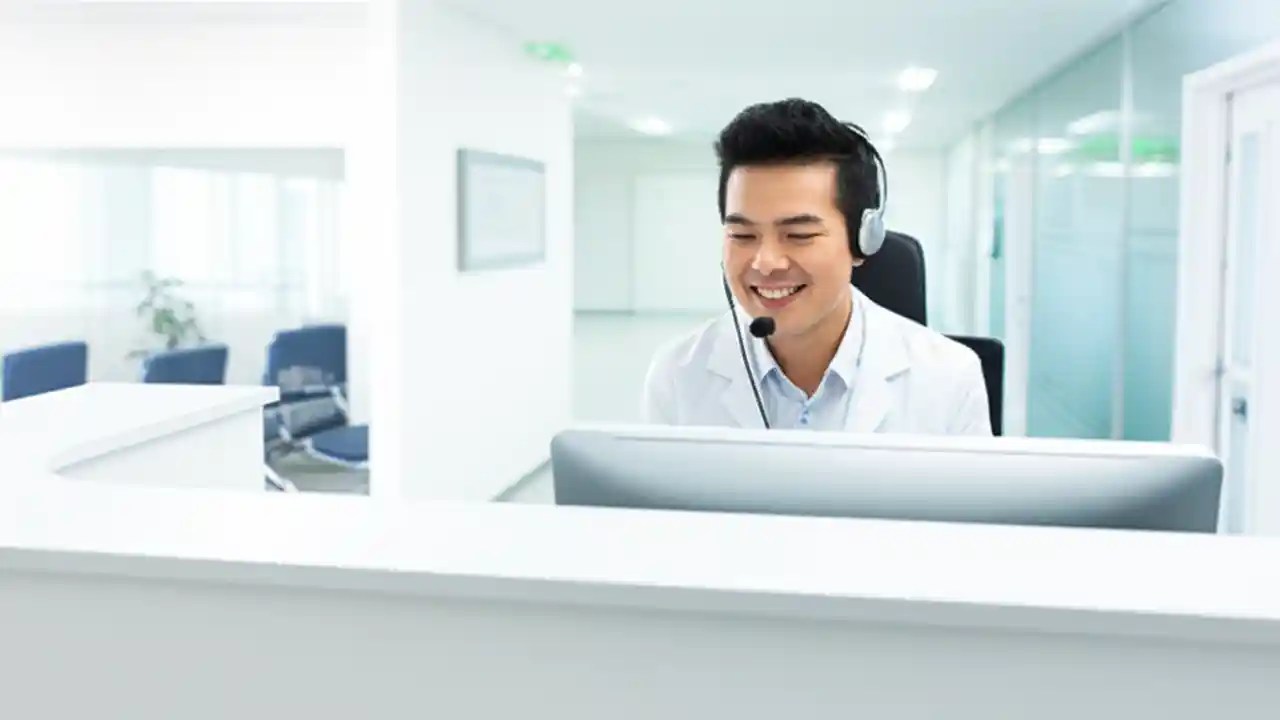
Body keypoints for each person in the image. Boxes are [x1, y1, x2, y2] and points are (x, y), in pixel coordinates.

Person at [643, 98, 991, 435]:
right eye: (742, 234)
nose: (765, 263)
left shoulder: (950, 378)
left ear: (862, 241)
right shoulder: (677, 375)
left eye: (798, 234)